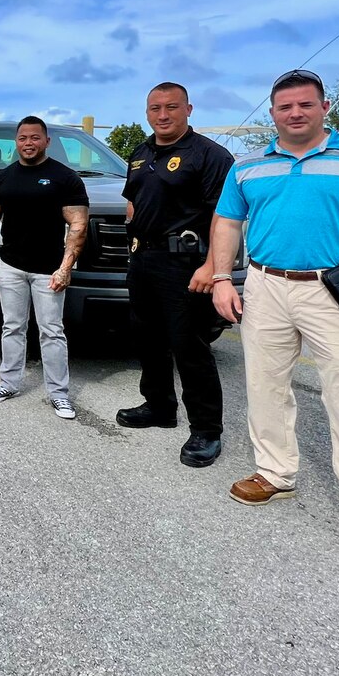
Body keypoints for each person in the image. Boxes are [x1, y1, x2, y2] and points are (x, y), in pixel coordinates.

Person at [209, 68, 339, 563]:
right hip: (264, 284)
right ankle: (275, 473)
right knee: (264, 384)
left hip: (332, 288)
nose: (295, 113)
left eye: (305, 104)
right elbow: (226, 222)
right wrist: (221, 278)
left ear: (325, 108)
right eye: (285, 107)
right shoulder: (247, 166)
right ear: (273, 113)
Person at [117, 82, 236, 467]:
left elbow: (224, 216)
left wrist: (212, 266)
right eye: (155, 108)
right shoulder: (141, 152)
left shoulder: (210, 155)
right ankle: (159, 406)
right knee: (146, 338)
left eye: (171, 107)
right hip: (144, 260)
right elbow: (133, 201)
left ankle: (206, 430)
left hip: (186, 265)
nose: (162, 115)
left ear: (189, 109)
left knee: (189, 347)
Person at [0, 117, 89, 420]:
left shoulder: (65, 178)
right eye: (23, 138)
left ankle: (59, 394)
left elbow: (78, 226)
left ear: (47, 141)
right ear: (17, 142)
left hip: (48, 270)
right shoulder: (4, 178)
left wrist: (65, 268)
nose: (29, 143)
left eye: (35, 138)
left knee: (52, 332)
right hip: (11, 266)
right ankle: (8, 383)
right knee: (11, 327)